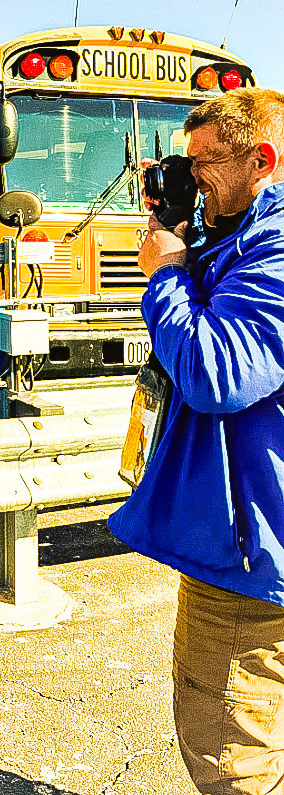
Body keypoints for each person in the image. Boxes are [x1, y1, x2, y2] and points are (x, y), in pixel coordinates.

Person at [109, 88, 284, 794]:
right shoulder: (245, 236)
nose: (189, 175)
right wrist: (183, 224)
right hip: (256, 536)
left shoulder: (275, 251)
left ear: (261, 160)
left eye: (204, 162)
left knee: (230, 755)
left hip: (252, 559)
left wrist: (166, 275)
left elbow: (218, 373)